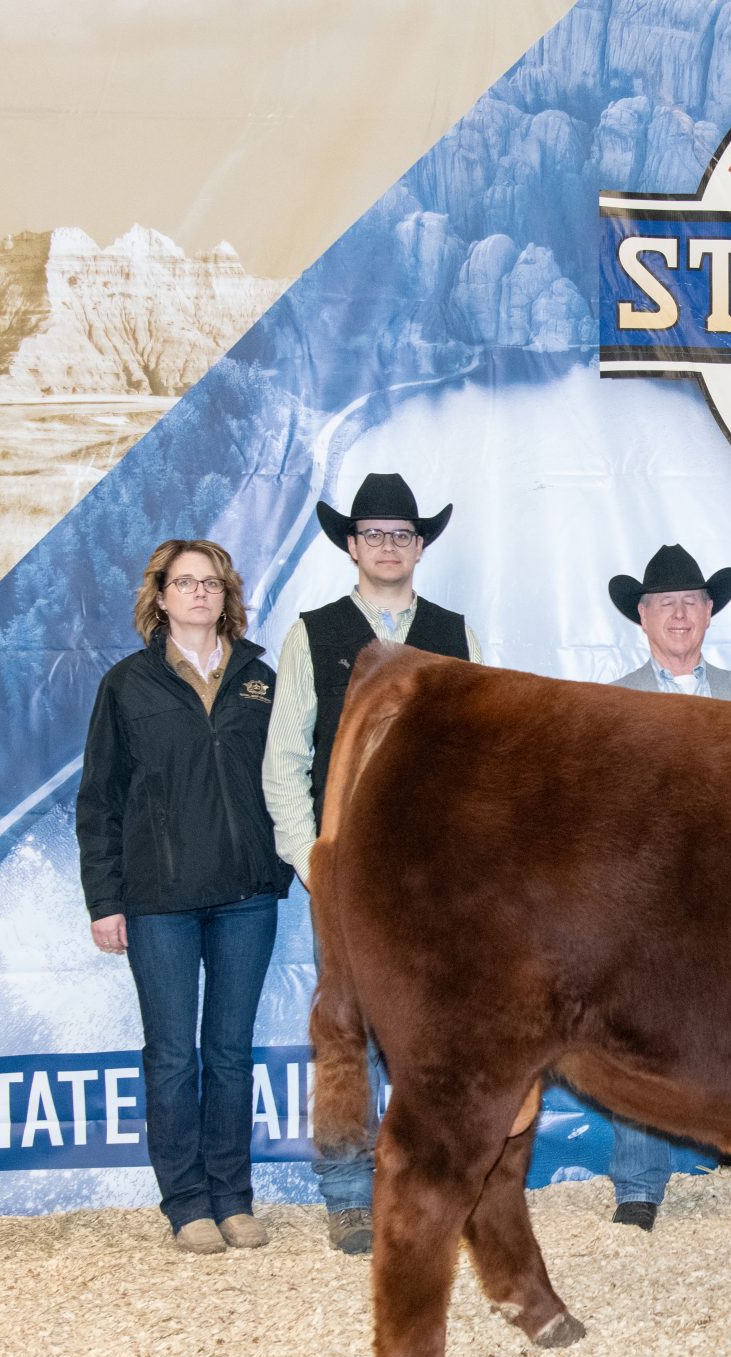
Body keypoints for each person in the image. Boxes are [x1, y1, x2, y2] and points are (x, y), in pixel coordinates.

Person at [262, 472, 480, 1253]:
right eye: (374, 534)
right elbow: (284, 760)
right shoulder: (312, 633)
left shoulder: (456, 634)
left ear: (420, 546)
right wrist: (313, 861)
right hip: (348, 870)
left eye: (402, 534)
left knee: (433, 1032)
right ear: (351, 546)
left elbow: (483, 761)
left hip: (433, 876)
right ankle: (347, 1192)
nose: (389, 545)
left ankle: (425, 1183)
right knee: (345, 1030)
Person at [77, 539, 293, 1255]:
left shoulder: (263, 677)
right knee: (172, 1056)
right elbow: (99, 800)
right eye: (184, 582)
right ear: (160, 596)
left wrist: (281, 864)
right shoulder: (126, 684)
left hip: (245, 897)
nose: (199, 593)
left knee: (229, 1053)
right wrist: (104, 901)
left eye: (212, 582)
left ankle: (233, 1197)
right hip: (159, 900)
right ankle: (186, 1202)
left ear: (227, 595)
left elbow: (291, 775)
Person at [599, 543, 731, 1231]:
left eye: (691, 601)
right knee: (641, 1039)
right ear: (643, 615)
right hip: (650, 902)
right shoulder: (613, 705)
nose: (680, 613)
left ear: (711, 612)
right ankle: (638, 1185)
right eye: (665, 603)